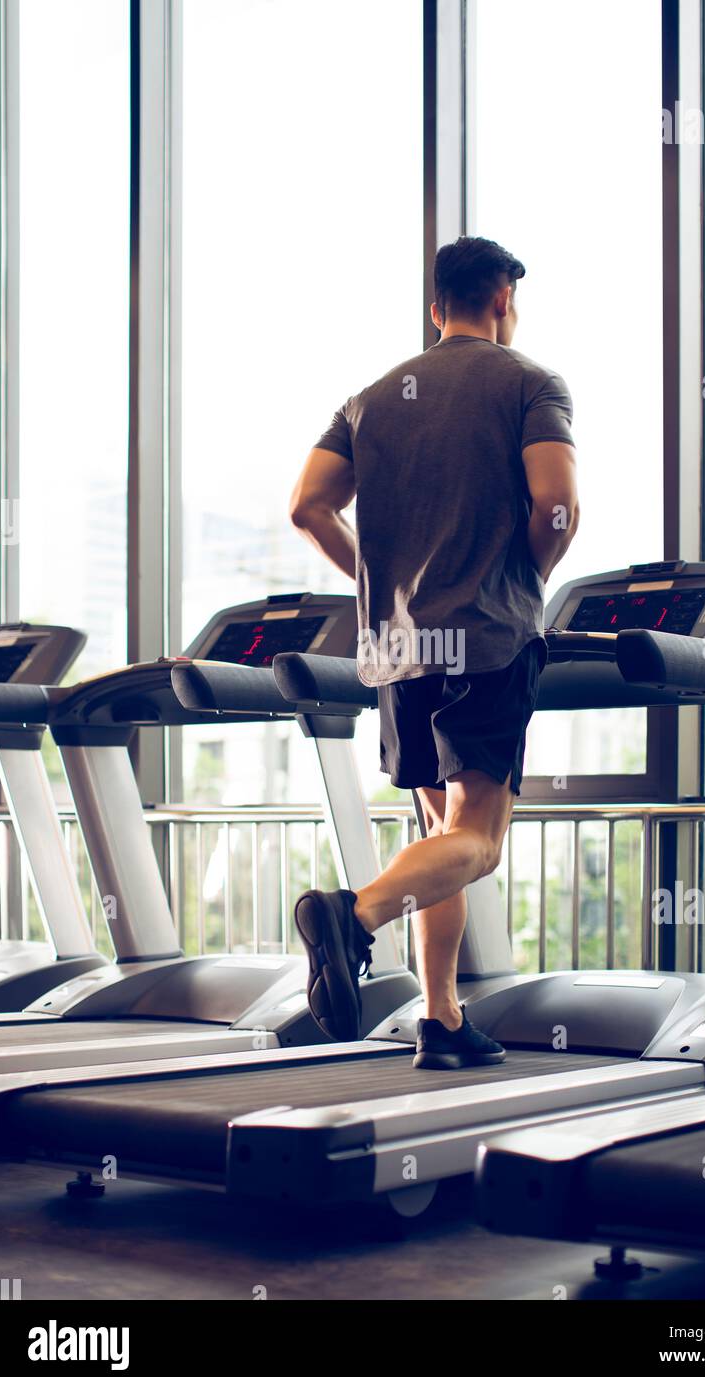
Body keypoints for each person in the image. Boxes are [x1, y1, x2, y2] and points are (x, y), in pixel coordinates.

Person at [289, 236, 579, 1068]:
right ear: (501, 301)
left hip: (399, 650)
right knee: (477, 841)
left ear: (434, 306)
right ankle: (354, 917)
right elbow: (556, 505)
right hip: (487, 638)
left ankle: (442, 1019)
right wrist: (524, 582)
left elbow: (309, 505)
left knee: (432, 833)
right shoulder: (528, 382)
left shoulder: (372, 399)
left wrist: (379, 584)